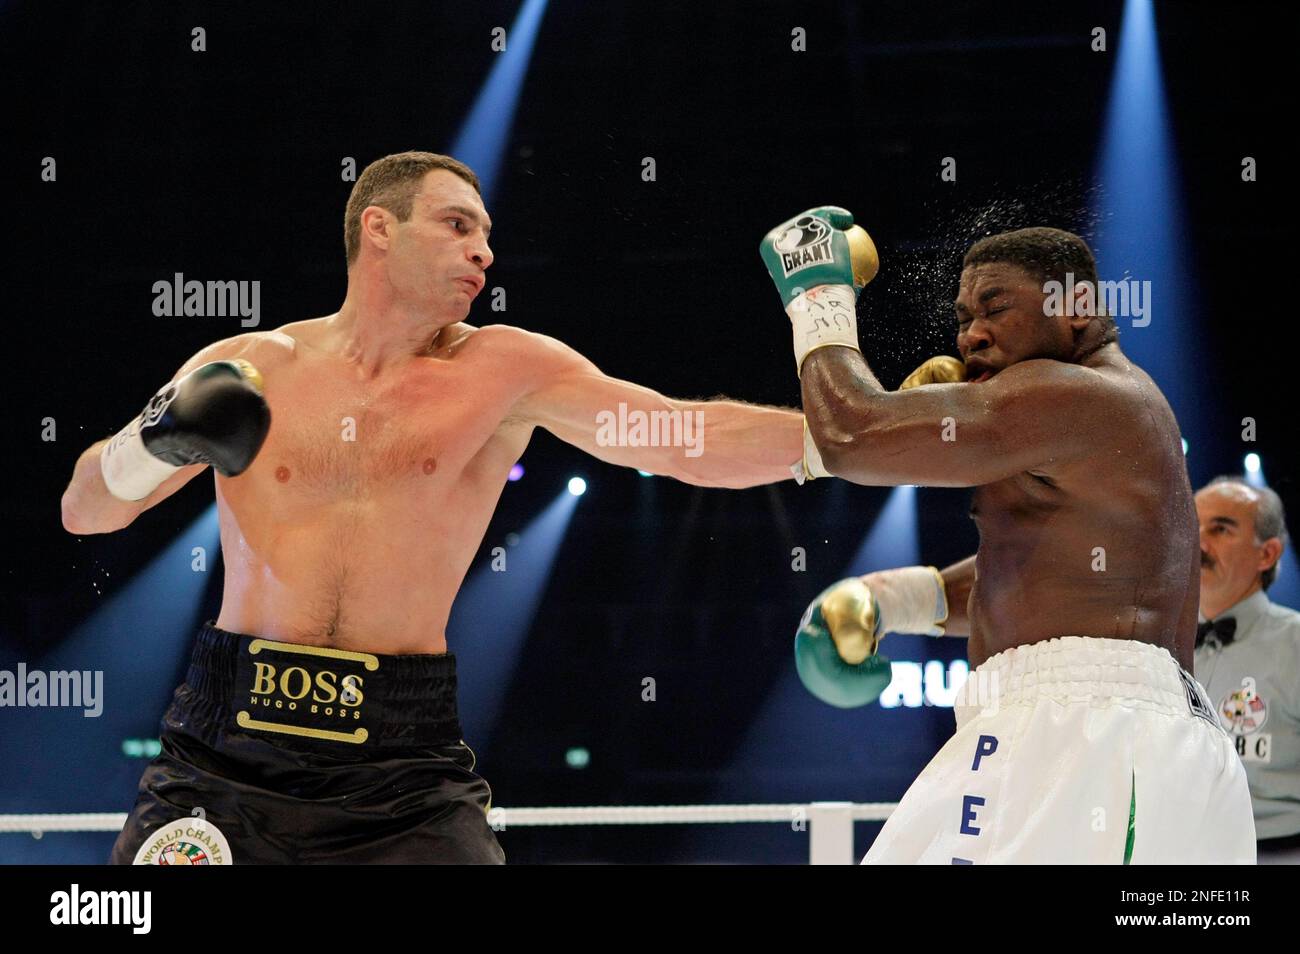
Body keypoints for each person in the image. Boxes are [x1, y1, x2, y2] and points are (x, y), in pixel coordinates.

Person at [61, 151, 808, 864]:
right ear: (379, 227)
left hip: (401, 767)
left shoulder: (504, 370)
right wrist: (149, 440)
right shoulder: (254, 365)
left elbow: (679, 439)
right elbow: (87, 512)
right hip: (224, 751)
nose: (484, 252)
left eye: (487, 235)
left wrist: (845, 439)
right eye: (458, 225)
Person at [760, 207, 1255, 863]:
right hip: (1108, 736)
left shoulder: (1078, 393)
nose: (973, 337)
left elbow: (850, 435)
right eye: (964, 318)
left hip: (1092, 737)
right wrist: (896, 601)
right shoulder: (1101, 413)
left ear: (1077, 306)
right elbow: (1053, 576)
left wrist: (816, 295)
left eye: (995, 308)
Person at [1194, 476, 1300, 861]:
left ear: (1267, 554)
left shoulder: (1295, 645)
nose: (1198, 542)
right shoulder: (1157, 646)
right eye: (1193, 525)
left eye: (1220, 529)